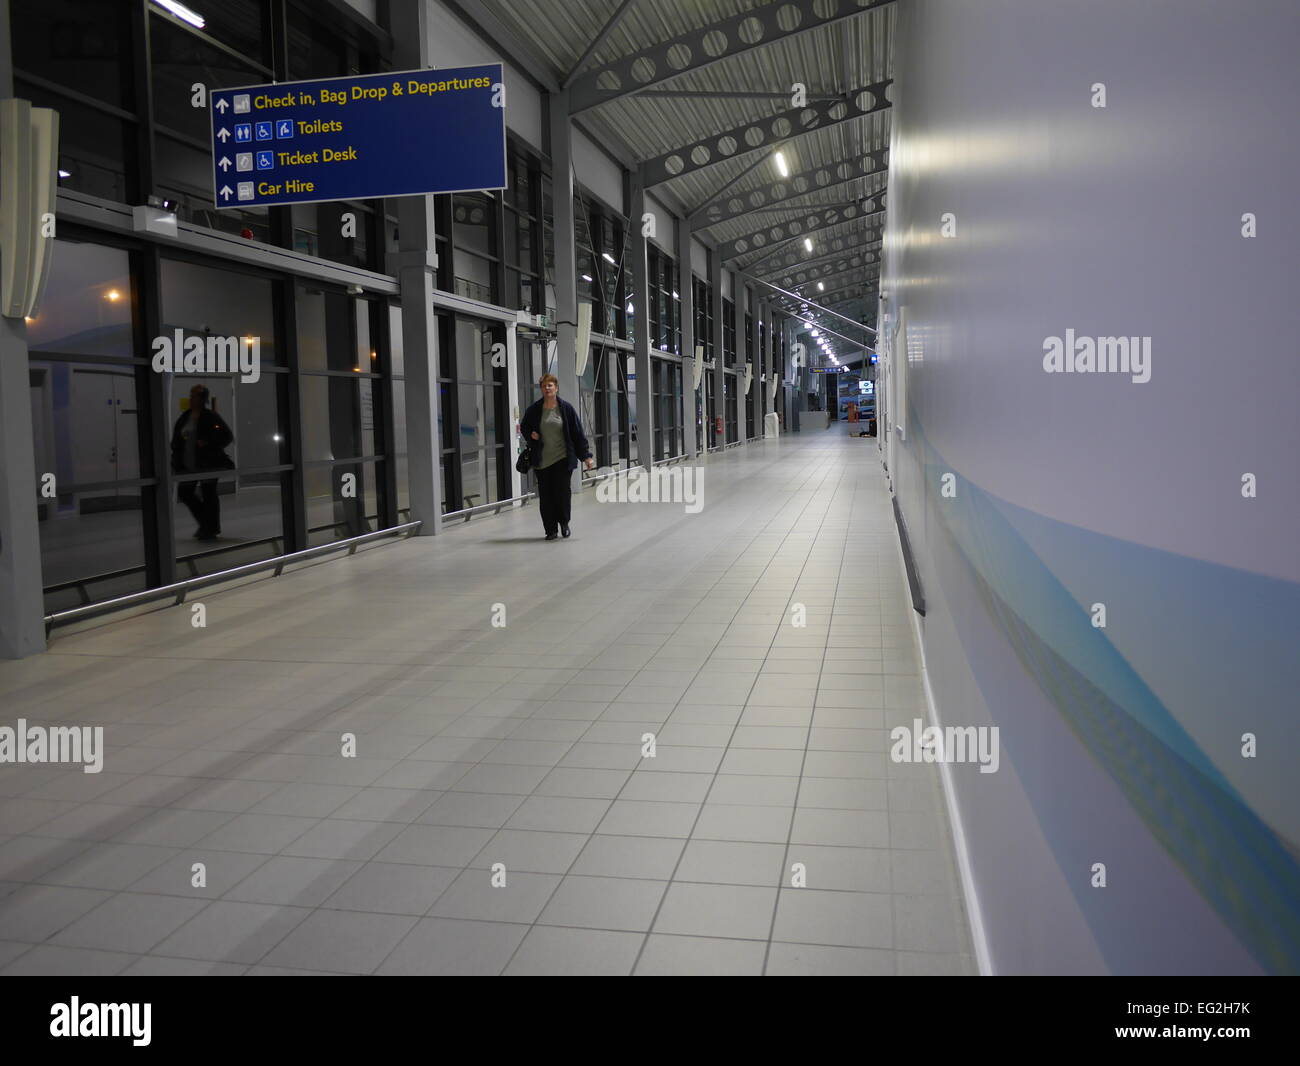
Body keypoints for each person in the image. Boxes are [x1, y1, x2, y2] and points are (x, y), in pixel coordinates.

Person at [519, 373, 594, 540]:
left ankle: (564, 523)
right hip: (542, 460)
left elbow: (577, 434)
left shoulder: (566, 409)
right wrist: (531, 435)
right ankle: (550, 530)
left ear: (556, 388)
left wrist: (586, 457)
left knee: (562, 494)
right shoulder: (534, 410)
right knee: (546, 497)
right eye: (544, 386)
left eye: (550, 385)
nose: (547, 388)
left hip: (562, 459)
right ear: (541, 389)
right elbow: (524, 426)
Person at [170, 383, 234, 541]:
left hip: (208, 463)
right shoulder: (185, 416)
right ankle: (208, 525)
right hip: (188, 463)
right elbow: (177, 438)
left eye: (195, 395)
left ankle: (209, 527)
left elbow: (227, 436)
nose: (192, 398)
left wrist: (207, 442)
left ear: (202, 398)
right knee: (185, 493)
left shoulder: (210, 416)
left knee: (209, 493)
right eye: (191, 395)